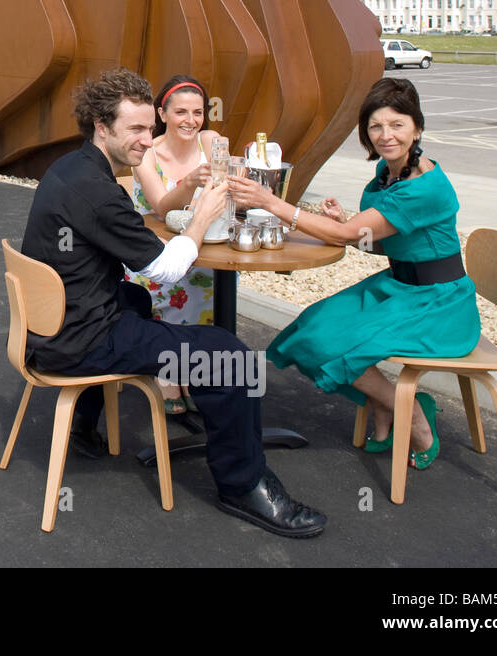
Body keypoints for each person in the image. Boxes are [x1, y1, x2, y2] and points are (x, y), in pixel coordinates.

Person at [21, 67, 327, 538]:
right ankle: (243, 487)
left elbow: (136, 261)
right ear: (102, 127)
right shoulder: (98, 192)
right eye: (137, 129)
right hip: (80, 340)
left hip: (51, 327)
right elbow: (164, 268)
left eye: (149, 127)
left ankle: (84, 423)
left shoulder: (71, 168)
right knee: (228, 357)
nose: (148, 139)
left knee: (137, 300)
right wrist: (202, 217)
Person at [228, 77, 478, 471]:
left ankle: (408, 412)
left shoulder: (424, 187)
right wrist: (347, 224)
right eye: (375, 126)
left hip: (438, 301)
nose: (385, 135)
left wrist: (270, 201)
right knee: (312, 328)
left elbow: (350, 237)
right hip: (401, 286)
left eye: (397, 124)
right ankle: (385, 404)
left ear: (417, 127)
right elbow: (376, 241)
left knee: (330, 340)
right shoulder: (387, 172)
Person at [128, 75, 220, 413]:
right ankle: (168, 375)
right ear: (162, 114)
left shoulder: (211, 141)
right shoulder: (147, 151)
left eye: (198, 112)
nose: (191, 120)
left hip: (204, 249)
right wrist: (190, 182)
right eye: (181, 112)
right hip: (155, 251)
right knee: (177, 283)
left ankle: (194, 373)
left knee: (212, 280)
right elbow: (161, 205)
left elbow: (233, 184)